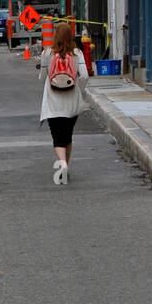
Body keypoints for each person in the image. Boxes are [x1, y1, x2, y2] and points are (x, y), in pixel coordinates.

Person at [38, 21, 88, 185]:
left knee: (57, 137)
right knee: (68, 136)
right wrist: (78, 89)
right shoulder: (77, 53)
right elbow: (85, 76)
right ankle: (66, 164)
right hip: (71, 101)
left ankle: (63, 165)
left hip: (53, 101)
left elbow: (42, 76)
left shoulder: (47, 53)